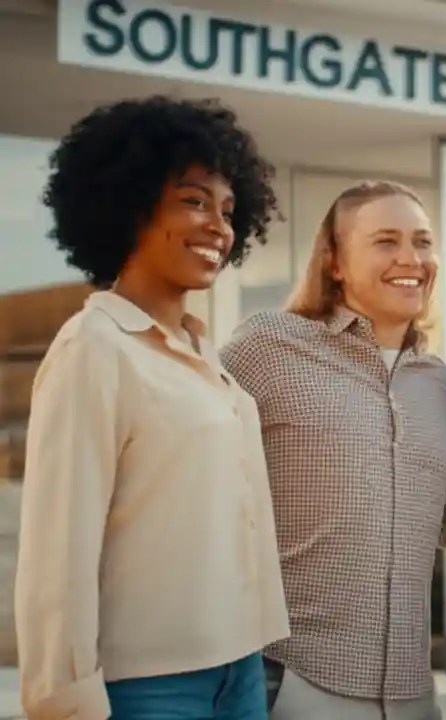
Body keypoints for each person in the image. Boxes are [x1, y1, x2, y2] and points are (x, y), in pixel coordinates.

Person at [15, 95, 289, 720]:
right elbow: (58, 552)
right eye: (193, 200)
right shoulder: (94, 346)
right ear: (128, 205)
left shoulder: (200, 353)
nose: (219, 225)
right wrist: (66, 703)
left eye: (226, 208)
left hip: (240, 670)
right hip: (148, 688)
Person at [220, 180, 446, 720]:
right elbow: (195, 480)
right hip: (294, 679)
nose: (411, 258)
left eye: (423, 241)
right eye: (386, 241)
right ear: (334, 261)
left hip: (413, 694)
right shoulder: (267, 347)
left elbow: (445, 522)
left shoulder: (439, 384)